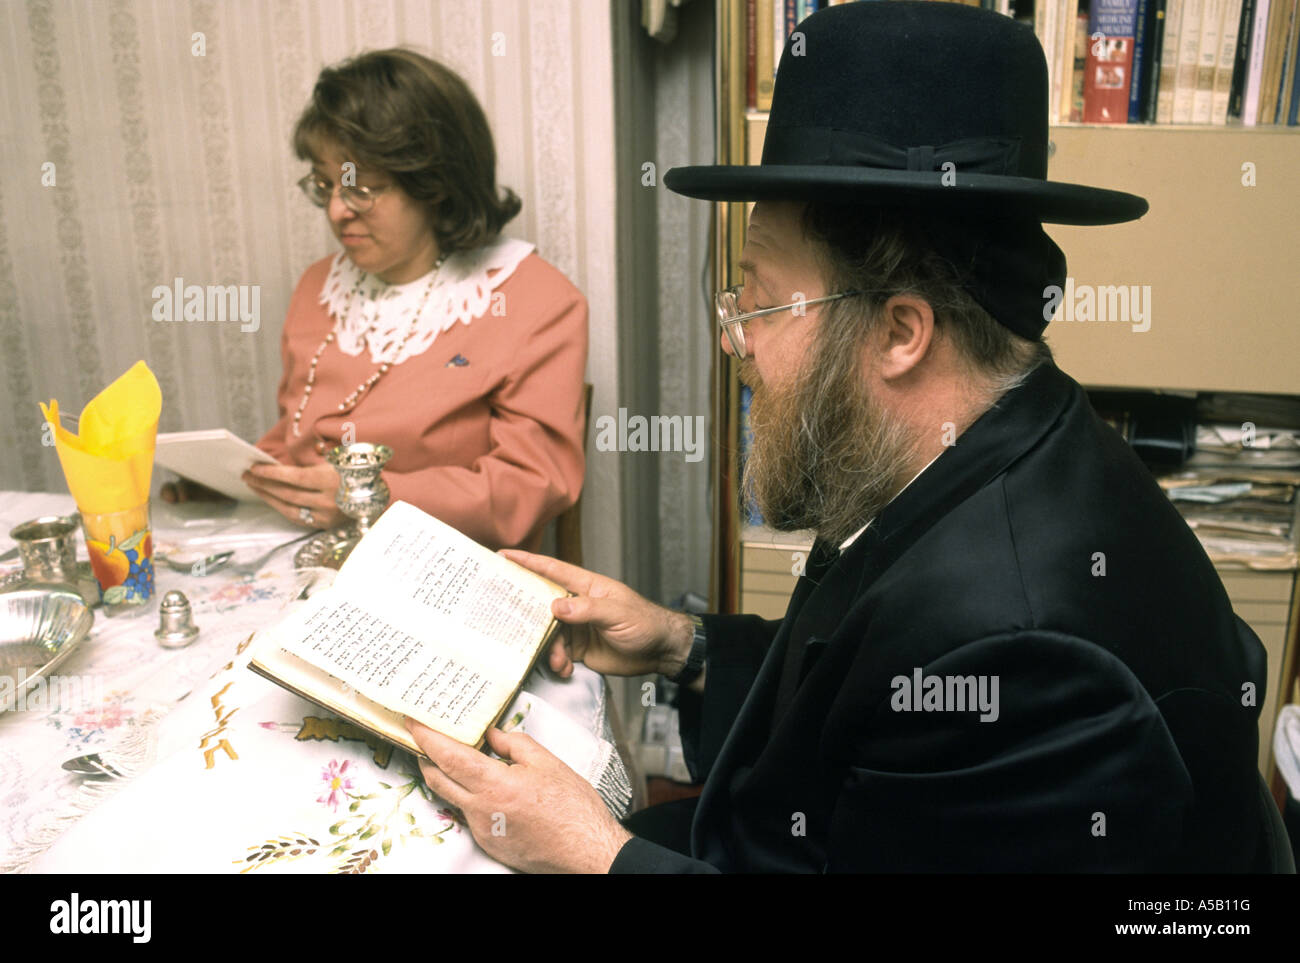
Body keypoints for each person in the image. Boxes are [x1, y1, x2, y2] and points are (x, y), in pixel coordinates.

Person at [405, 2, 1273, 872]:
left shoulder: (1017, 661)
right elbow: (862, 679)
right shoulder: (974, 437)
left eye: (762, 298)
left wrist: (596, 853)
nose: (732, 337)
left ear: (901, 332)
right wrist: (682, 643)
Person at [167, 49, 587, 551]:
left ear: (436, 184)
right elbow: (300, 438)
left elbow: (532, 487)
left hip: (444, 568)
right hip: (310, 553)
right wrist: (229, 482)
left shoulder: (537, 302)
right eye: (326, 186)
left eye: (362, 188)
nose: (338, 211)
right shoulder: (318, 286)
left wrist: (371, 497)